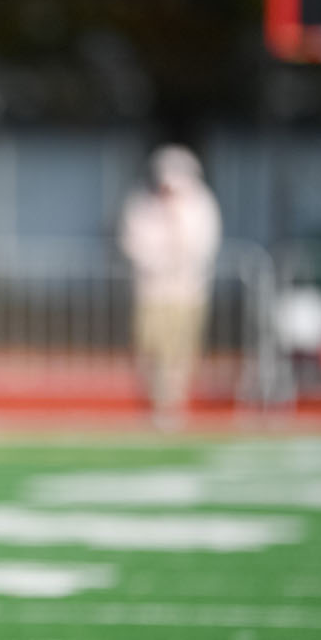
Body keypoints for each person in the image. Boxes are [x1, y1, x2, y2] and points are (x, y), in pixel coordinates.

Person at [117, 143, 222, 429]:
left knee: (180, 352)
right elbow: (133, 244)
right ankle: (152, 402)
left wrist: (177, 238)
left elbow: (203, 246)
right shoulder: (141, 203)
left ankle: (171, 406)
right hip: (151, 291)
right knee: (149, 349)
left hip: (188, 292)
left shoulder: (200, 204)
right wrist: (159, 260)